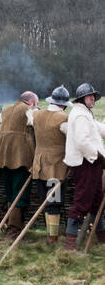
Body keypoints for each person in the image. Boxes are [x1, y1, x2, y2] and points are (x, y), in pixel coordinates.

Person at [0, 92, 38, 238]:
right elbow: (38, 124)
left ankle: (14, 228)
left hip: (3, 155)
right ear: (31, 102)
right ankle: (13, 230)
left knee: (11, 192)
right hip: (20, 156)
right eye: (36, 103)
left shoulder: (6, 109)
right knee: (19, 193)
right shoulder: (29, 110)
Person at [63, 83, 105, 249]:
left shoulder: (85, 113)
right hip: (85, 163)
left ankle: (101, 236)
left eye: (93, 96)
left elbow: (97, 129)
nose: (92, 98)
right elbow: (82, 141)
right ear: (82, 98)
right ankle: (70, 244)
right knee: (82, 202)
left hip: (90, 163)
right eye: (89, 96)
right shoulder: (80, 115)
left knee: (97, 200)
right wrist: (97, 156)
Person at [31, 85, 71, 245]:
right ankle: (52, 238)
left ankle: (50, 234)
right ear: (63, 104)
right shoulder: (63, 118)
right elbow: (73, 136)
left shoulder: (36, 114)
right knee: (55, 202)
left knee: (45, 201)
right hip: (56, 166)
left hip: (39, 164)